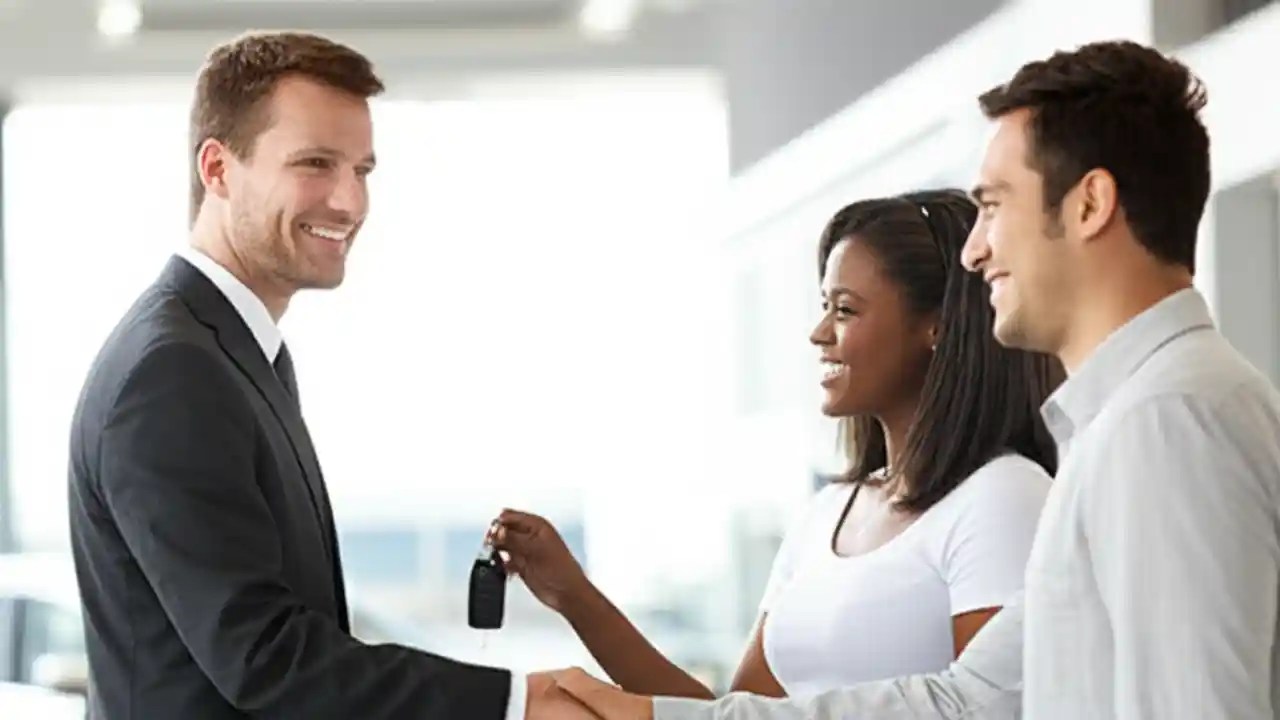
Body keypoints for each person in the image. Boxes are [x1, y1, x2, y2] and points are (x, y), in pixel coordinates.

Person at [66, 31, 591, 720]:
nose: (348, 203)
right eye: (315, 164)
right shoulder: (171, 372)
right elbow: (263, 655)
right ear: (218, 169)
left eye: (363, 170)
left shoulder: (237, 355)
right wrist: (518, 702)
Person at [492, 189, 1061, 701]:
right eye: (823, 307)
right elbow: (730, 718)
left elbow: (990, 712)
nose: (819, 333)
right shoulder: (825, 515)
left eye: (845, 309)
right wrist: (572, 596)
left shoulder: (1003, 497)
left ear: (935, 327)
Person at [961, 40, 1280, 718]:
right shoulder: (1134, 416)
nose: (973, 250)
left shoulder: (1168, 420)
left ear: (1089, 204)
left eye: (992, 206)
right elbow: (968, 701)